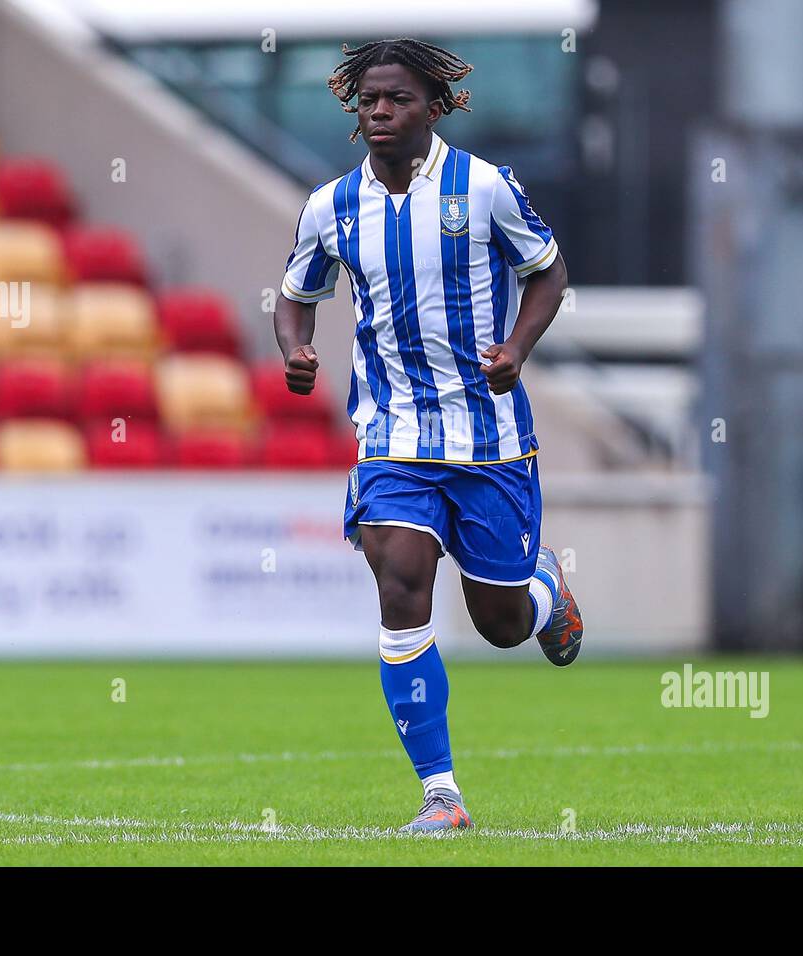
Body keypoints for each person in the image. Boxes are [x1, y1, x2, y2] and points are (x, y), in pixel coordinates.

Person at [272, 38, 583, 833]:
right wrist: (295, 349)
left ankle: (542, 593)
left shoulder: (484, 189)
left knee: (501, 624)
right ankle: (441, 795)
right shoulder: (330, 206)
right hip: (392, 437)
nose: (380, 112)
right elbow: (294, 292)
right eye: (369, 101)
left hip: (488, 441)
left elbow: (548, 269)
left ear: (434, 107)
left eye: (398, 99)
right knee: (400, 581)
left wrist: (515, 348)